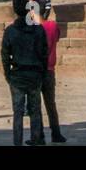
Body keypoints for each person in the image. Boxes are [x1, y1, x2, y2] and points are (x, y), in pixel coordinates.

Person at [1, 0, 48, 147]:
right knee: (35, 110)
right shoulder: (38, 29)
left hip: (17, 75)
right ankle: (36, 139)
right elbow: (44, 53)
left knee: (18, 113)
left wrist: (8, 74)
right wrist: (42, 72)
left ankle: (17, 142)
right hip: (35, 74)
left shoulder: (10, 31)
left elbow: (5, 54)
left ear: (14, 9)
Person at [37, 8, 67, 144]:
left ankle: (39, 135)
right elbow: (57, 38)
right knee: (51, 104)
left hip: (35, 71)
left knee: (35, 105)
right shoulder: (53, 26)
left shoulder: (33, 29)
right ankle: (56, 133)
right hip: (49, 70)